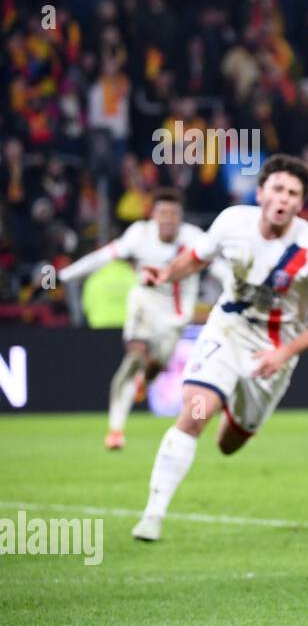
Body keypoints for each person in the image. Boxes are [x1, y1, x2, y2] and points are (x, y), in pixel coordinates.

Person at [130, 155, 308, 541]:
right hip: (227, 332)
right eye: (277, 189)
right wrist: (165, 274)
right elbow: (196, 258)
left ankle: (232, 406)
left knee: (230, 444)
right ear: (260, 192)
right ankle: (153, 513)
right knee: (195, 414)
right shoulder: (232, 221)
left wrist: (284, 353)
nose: (283, 199)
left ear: (300, 204)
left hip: (274, 352)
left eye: (293, 193)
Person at [58, 189, 203, 449]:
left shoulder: (195, 239)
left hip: (175, 316)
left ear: (181, 217)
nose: (168, 218)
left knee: (157, 365)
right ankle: (115, 431)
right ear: (153, 215)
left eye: (173, 213)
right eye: (162, 212)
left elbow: (221, 267)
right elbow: (103, 256)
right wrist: (67, 275)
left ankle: (143, 381)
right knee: (135, 356)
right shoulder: (139, 234)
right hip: (144, 304)